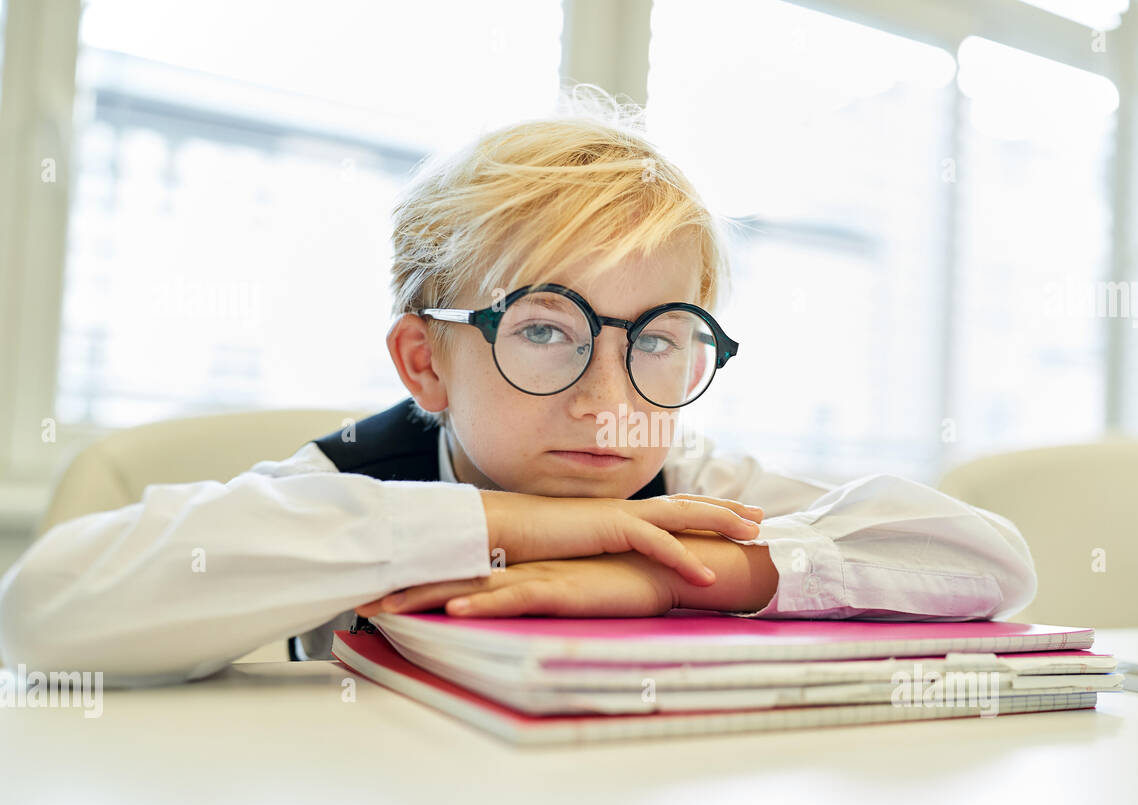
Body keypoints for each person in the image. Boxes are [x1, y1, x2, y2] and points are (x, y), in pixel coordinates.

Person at [0, 87, 1036, 688]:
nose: (607, 397)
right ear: (425, 363)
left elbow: (987, 561)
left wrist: (671, 575)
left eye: (661, 338)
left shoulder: (693, 479)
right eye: (545, 331)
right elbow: (45, 612)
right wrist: (507, 524)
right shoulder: (357, 477)